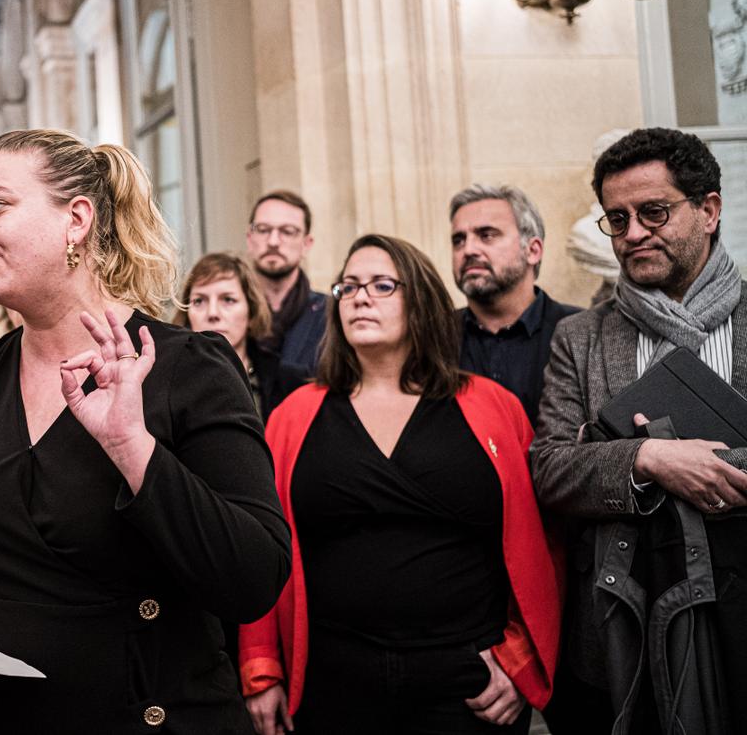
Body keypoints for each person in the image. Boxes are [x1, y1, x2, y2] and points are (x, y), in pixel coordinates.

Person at [0, 129, 291, 734]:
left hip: (136, 713)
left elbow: (253, 576)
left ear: (77, 219)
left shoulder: (186, 368)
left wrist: (134, 449)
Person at [241, 233, 560, 735]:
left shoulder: (493, 407)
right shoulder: (293, 417)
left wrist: (519, 658)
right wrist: (262, 669)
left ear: (422, 302)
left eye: (382, 285)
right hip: (334, 678)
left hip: (465, 680)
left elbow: (542, 543)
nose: (360, 296)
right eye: (348, 287)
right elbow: (261, 545)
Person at [530, 128, 747, 735]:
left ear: (708, 210)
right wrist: (648, 459)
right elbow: (548, 467)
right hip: (628, 601)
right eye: (616, 219)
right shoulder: (582, 338)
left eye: (653, 212)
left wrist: (718, 466)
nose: (632, 234)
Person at [450, 184, 581, 426]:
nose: (467, 250)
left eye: (487, 235)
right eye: (458, 240)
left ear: (532, 251)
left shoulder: (582, 333)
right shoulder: (432, 337)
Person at [173, 252, 305, 420]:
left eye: (228, 299)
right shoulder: (168, 382)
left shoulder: (288, 382)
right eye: (199, 301)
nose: (212, 313)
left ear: (251, 311)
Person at [245, 190, 328, 375]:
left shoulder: (330, 315)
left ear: (306, 244)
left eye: (287, 231)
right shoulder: (229, 312)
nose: (273, 241)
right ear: (250, 239)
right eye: (263, 230)